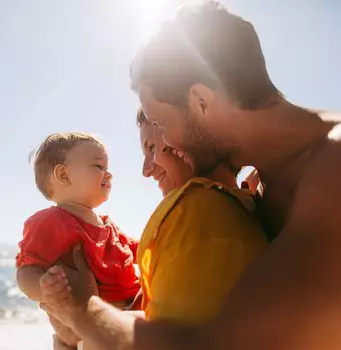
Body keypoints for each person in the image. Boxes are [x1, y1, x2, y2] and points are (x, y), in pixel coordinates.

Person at [40, 1, 341, 349]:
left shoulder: (331, 168)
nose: (165, 142)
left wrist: (83, 310)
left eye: (164, 124)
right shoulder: (267, 180)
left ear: (201, 102)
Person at [49, 110, 267, 349]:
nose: (146, 170)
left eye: (152, 147)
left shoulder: (196, 213)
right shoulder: (241, 207)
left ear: (185, 137)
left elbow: (173, 343)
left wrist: (83, 313)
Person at [15, 132, 140, 348]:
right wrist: (46, 289)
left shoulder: (108, 226)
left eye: (107, 167)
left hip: (120, 320)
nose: (108, 174)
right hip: (85, 331)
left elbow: (145, 249)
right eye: (98, 166)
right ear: (63, 175)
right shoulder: (51, 221)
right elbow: (26, 270)